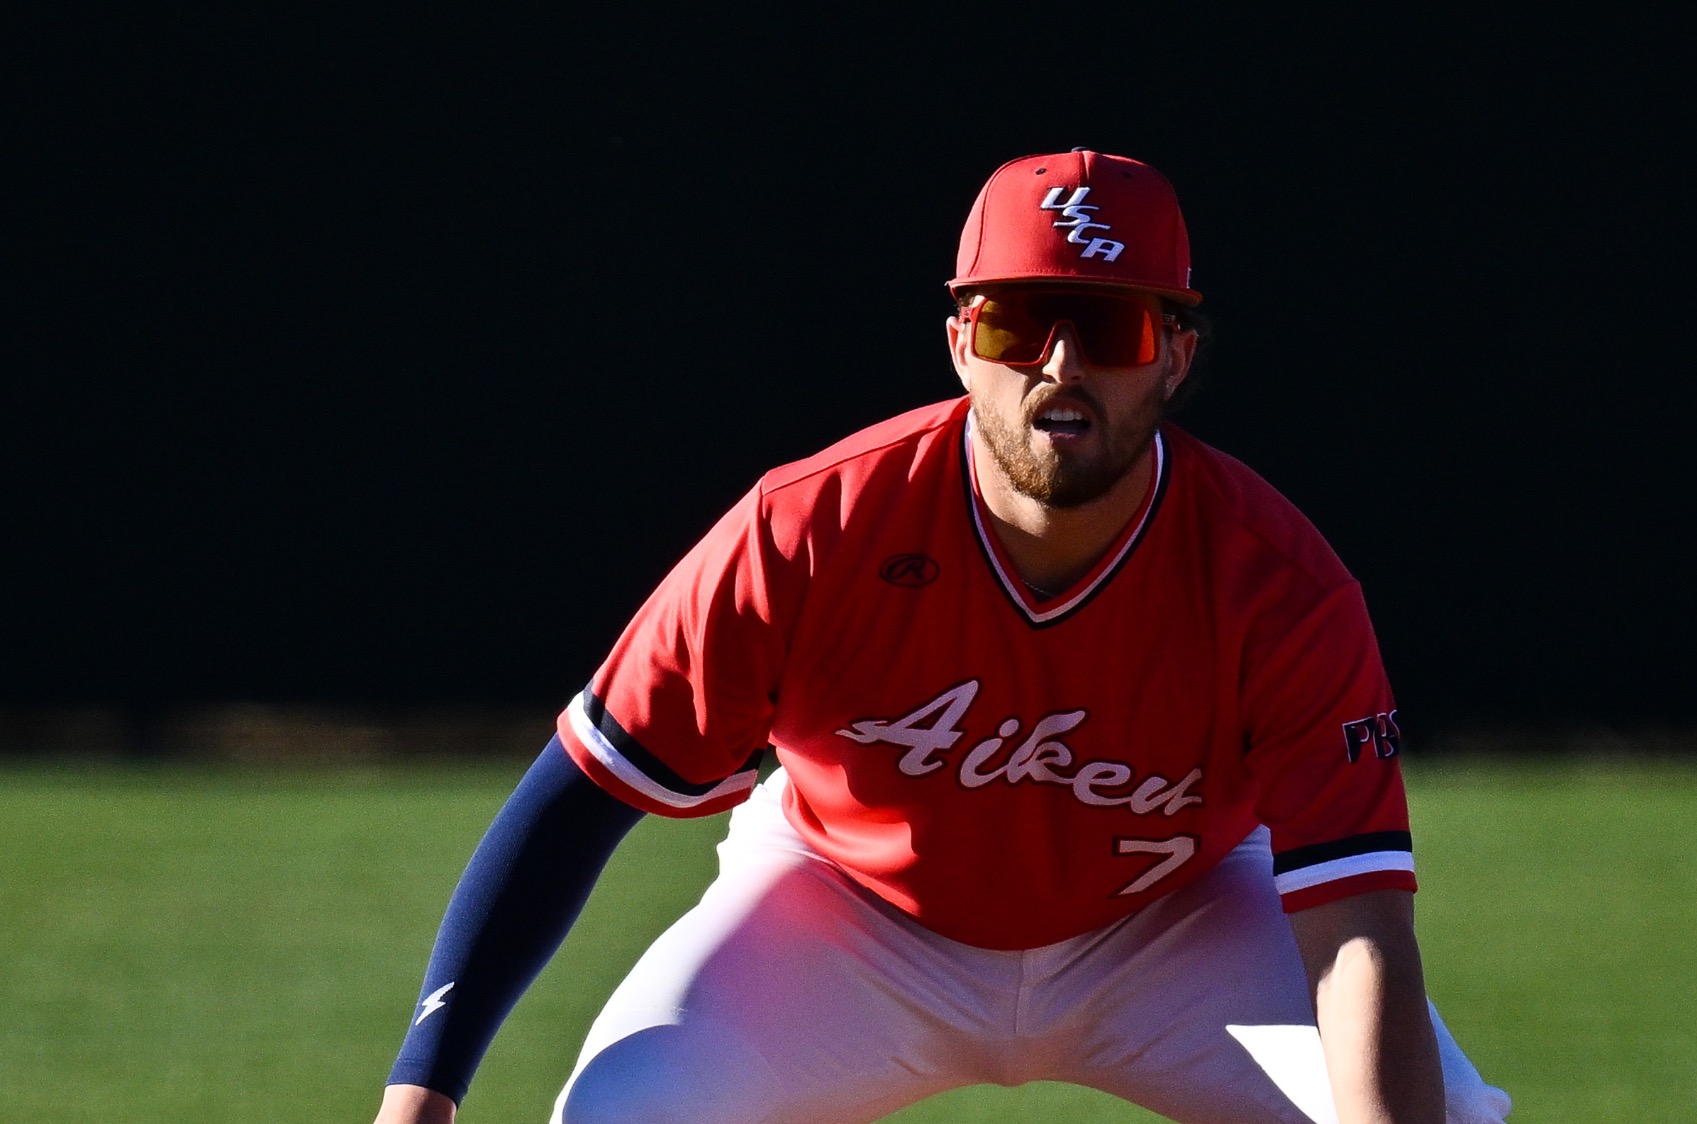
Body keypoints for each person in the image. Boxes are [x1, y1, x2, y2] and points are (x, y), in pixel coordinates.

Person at [373, 149, 1513, 1124]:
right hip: (847, 912)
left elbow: (1359, 926)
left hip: (1170, 926)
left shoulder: (1278, 586)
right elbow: (583, 784)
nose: (1058, 365)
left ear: (1174, 351)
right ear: (962, 341)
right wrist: (421, 1089)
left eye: (1108, 323)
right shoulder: (811, 527)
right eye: (1019, 320)